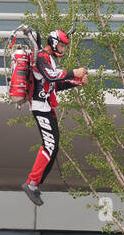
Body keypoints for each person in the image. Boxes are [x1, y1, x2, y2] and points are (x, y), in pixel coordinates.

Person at [21, 29, 87, 206]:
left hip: (46, 107)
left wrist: (76, 82)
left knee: (54, 147)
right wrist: (74, 73)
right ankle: (31, 183)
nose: (63, 49)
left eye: (64, 46)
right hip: (40, 108)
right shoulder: (42, 56)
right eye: (61, 45)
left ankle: (34, 185)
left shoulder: (48, 59)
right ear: (53, 42)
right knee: (49, 145)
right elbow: (51, 76)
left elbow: (54, 86)